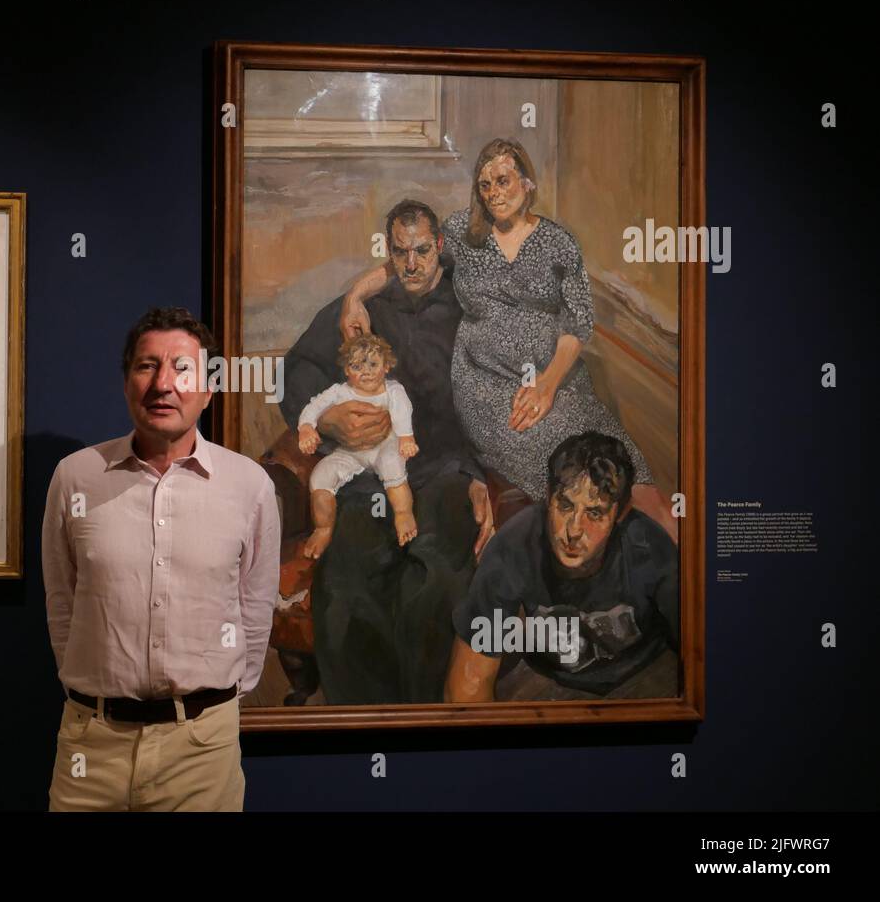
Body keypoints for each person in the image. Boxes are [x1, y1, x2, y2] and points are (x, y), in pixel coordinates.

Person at [340, 140, 675, 537]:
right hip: (485, 384)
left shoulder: (559, 243)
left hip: (557, 381)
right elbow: (407, 259)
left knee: (627, 470)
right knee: (571, 467)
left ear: (527, 183)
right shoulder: (464, 233)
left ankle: (673, 571)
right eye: (485, 185)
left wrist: (548, 386)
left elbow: (576, 325)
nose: (494, 193)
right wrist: (354, 296)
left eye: (503, 180)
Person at [42, 306, 280, 811]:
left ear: (210, 387)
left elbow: (256, 611)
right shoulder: (75, 478)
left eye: (181, 368)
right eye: (147, 366)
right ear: (127, 381)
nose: (163, 384)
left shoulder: (249, 486)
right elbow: (62, 603)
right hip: (92, 746)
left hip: (201, 752)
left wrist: (208, 712)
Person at [280, 199, 494, 705]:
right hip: (365, 472)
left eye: (422, 250)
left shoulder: (470, 304)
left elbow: (497, 405)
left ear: (439, 247)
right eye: (401, 253)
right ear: (388, 254)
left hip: (445, 468)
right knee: (349, 575)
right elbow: (296, 372)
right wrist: (327, 420)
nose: (413, 265)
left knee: (440, 573)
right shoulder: (360, 310)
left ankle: (424, 719)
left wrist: (479, 473)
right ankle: (364, 720)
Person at [446, 431, 679, 701]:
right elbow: (467, 684)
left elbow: (702, 654)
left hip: (644, 673)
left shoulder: (651, 549)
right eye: (565, 505)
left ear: (621, 513)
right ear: (548, 497)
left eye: (594, 513)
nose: (574, 530)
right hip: (549, 680)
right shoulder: (512, 547)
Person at [297, 333, 418, 558]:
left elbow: (402, 412)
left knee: (393, 465)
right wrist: (306, 428)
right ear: (346, 370)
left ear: (387, 366)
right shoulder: (339, 392)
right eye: (357, 365)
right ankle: (323, 528)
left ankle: (403, 513)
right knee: (320, 477)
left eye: (373, 364)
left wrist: (406, 437)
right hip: (351, 451)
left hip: (385, 446)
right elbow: (314, 406)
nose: (366, 371)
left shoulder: (393, 391)